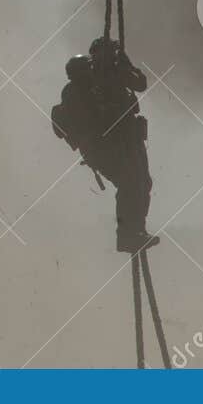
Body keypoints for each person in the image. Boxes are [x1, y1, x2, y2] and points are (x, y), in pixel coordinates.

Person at [51, 37, 158, 254]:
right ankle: (128, 236)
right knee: (130, 183)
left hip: (119, 144)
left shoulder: (104, 83)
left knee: (142, 183)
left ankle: (136, 231)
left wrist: (122, 62)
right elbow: (96, 120)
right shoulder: (78, 93)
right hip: (102, 149)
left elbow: (139, 83)